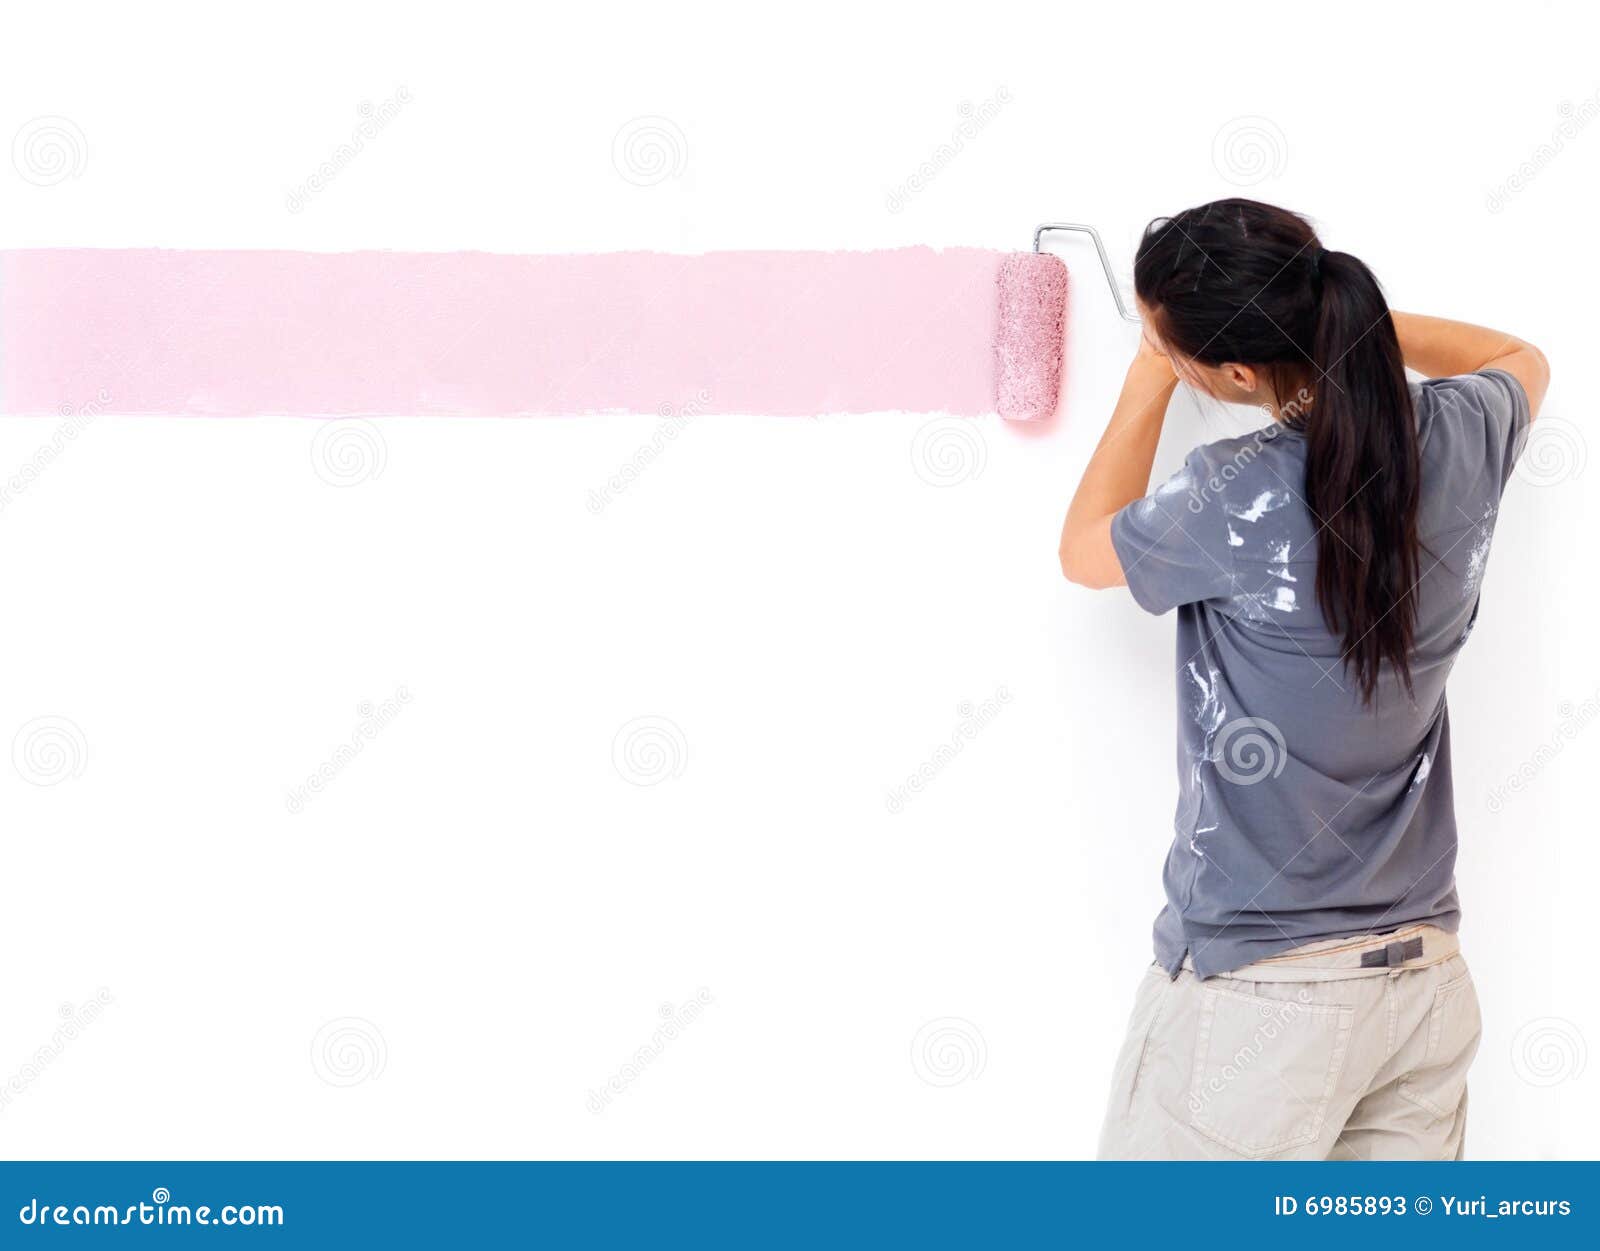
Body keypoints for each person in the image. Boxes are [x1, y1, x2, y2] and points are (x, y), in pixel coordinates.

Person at [1059, 199, 1550, 1159]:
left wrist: (1148, 377)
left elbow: (1083, 549)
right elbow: (1521, 358)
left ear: (1237, 372)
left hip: (1261, 1000)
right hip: (1420, 988)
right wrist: (1341, 322)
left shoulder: (1231, 492)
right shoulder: (1457, 437)